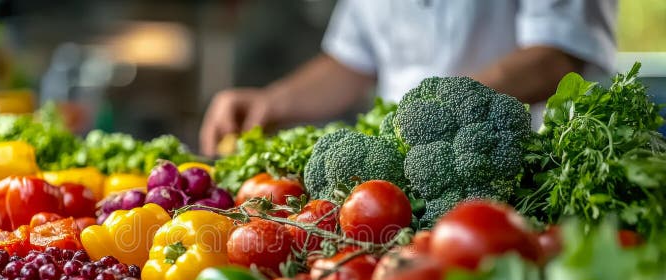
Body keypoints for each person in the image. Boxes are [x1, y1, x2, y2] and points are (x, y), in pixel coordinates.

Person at [200, 0, 618, 155]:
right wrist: (272, 101)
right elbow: (351, 60)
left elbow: (557, 56)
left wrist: (430, 111)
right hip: (401, 168)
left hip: (529, 160)